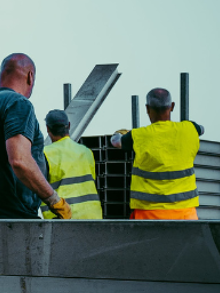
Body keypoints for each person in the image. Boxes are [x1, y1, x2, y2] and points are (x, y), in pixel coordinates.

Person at [0, 53, 71, 219]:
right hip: (12, 220)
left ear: (0, 75)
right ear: (30, 77)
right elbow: (20, 161)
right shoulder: (18, 103)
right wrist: (54, 200)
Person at [112, 87, 205, 220]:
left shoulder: (138, 136)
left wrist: (121, 133)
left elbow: (116, 142)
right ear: (172, 106)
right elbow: (201, 129)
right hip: (186, 215)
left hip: (148, 216)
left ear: (147, 109)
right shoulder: (189, 129)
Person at [41, 110, 102, 219]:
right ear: (69, 125)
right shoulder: (86, 151)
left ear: (48, 128)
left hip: (64, 219)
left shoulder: (45, 153)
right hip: (93, 217)